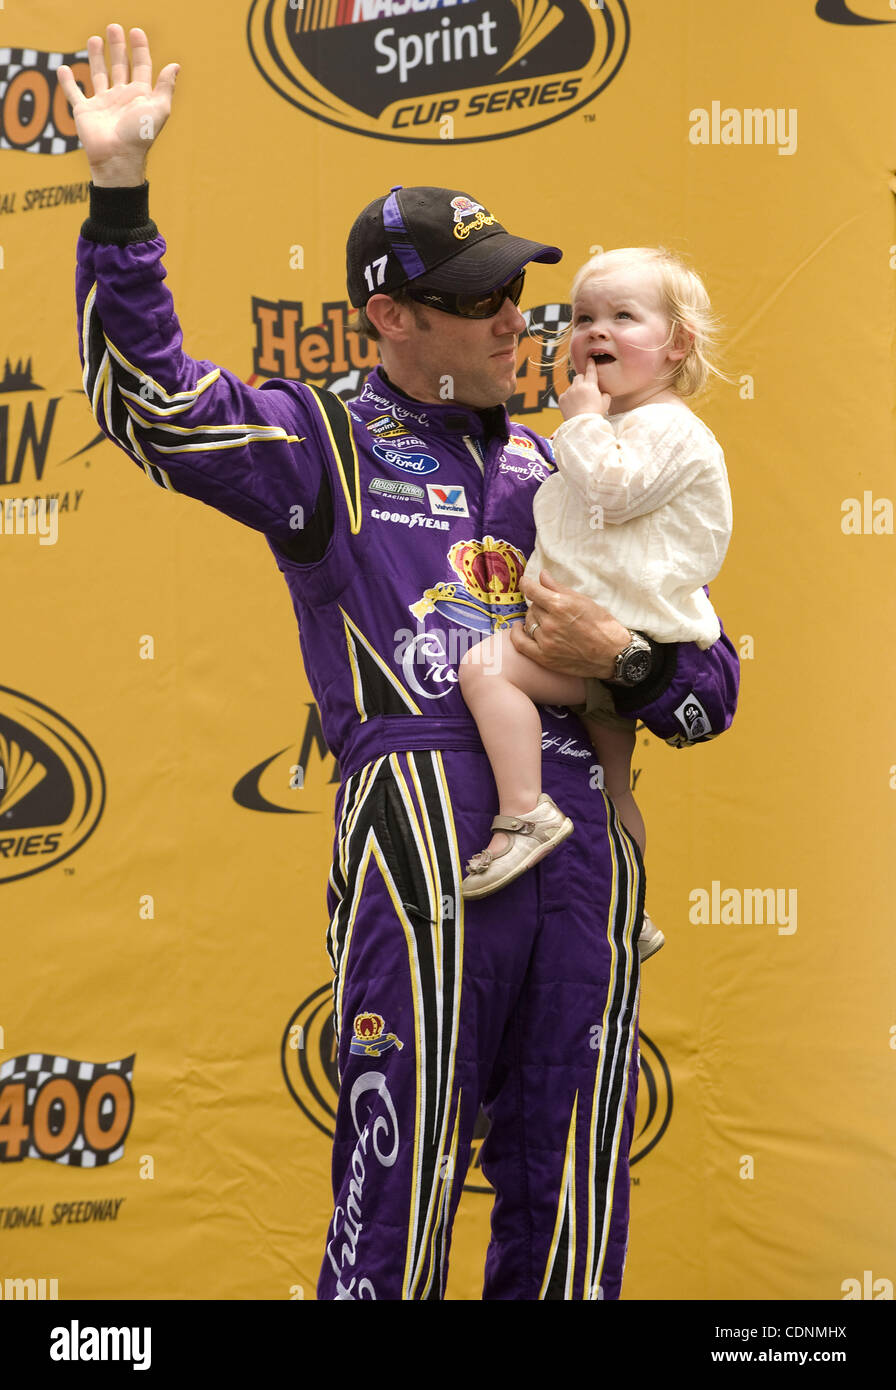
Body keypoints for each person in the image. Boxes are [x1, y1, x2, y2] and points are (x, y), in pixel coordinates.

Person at [60, 25, 739, 1300]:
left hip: (584, 843)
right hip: (423, 825)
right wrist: (117, 200)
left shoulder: (569, 465)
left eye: (521, 290)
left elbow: (705, 691)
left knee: (573, 1188)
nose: (521, 319)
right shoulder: (320, 437)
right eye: (483, 296)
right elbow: (148, 402)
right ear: (392, 315)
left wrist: (631, 672)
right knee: (404, 1178)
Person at [457, 248, 733, 968]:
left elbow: (610, 493)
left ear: (678, 344)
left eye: (621, 317)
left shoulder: (666, 427)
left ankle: (523, 813)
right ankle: (629, 909)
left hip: (620, 642)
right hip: (611, 645)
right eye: (582, 318)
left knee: (487, 669)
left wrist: (579, 424)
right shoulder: (622, 425)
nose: (594, 331)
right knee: (611, 787)